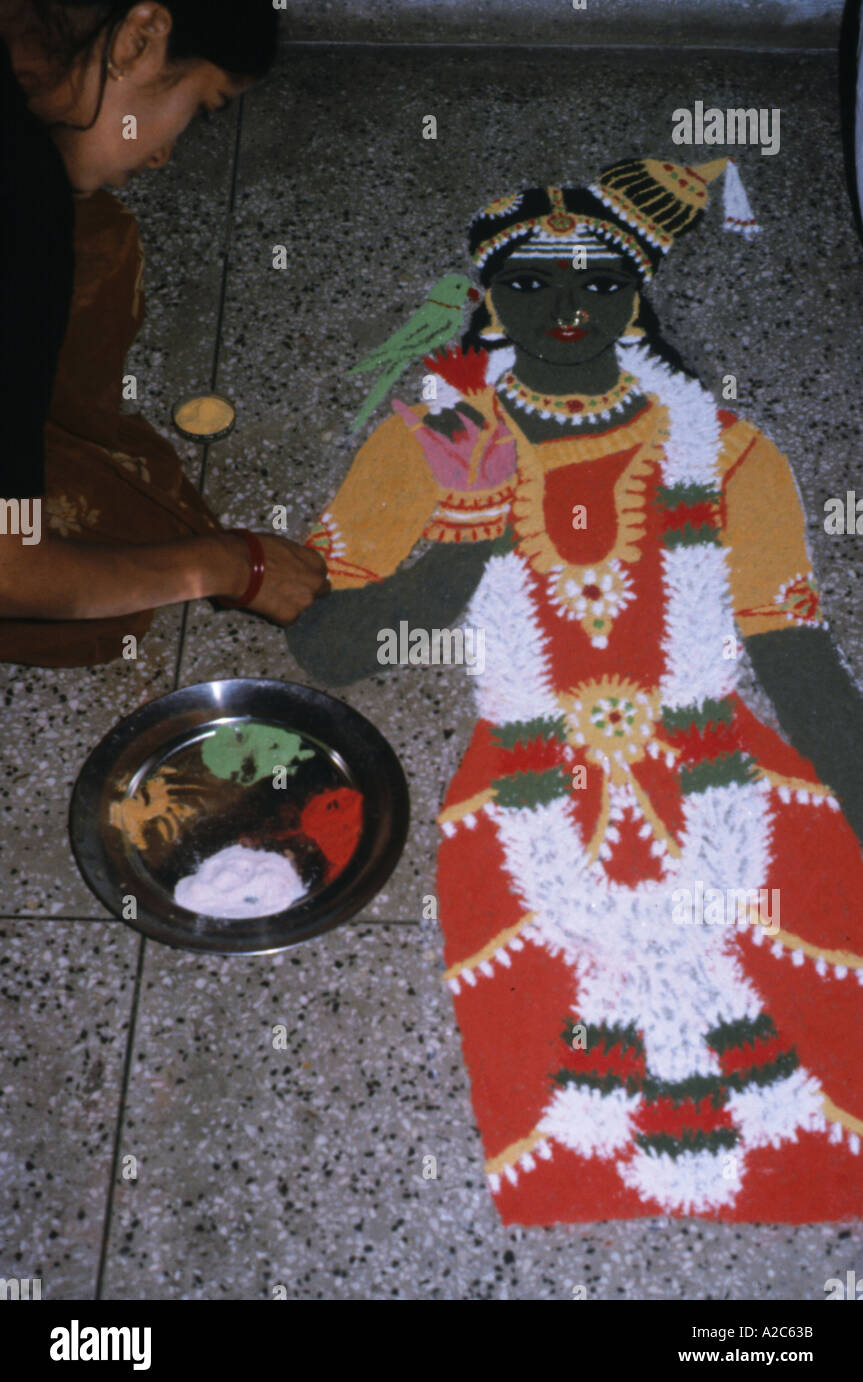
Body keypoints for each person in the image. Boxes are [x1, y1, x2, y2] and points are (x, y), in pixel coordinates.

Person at [288, 158, 863, 1224]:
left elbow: (791, 653)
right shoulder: (443, 436)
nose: (566, 310)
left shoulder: (720, 450)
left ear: (635, 296)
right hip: (526, 780)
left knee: (823, 976)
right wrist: (463, 539)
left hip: (717, 763)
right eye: (532, 285)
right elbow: (328, 648)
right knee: (539, 1049)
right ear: (489, 299)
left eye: (599, 283)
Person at [0, 0, 328, 667]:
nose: (163, 156)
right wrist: (226, 567)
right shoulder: (22, 210)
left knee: (101, 234)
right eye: (202, 106)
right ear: (140, 35)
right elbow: (9, 572)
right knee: (89, 619)